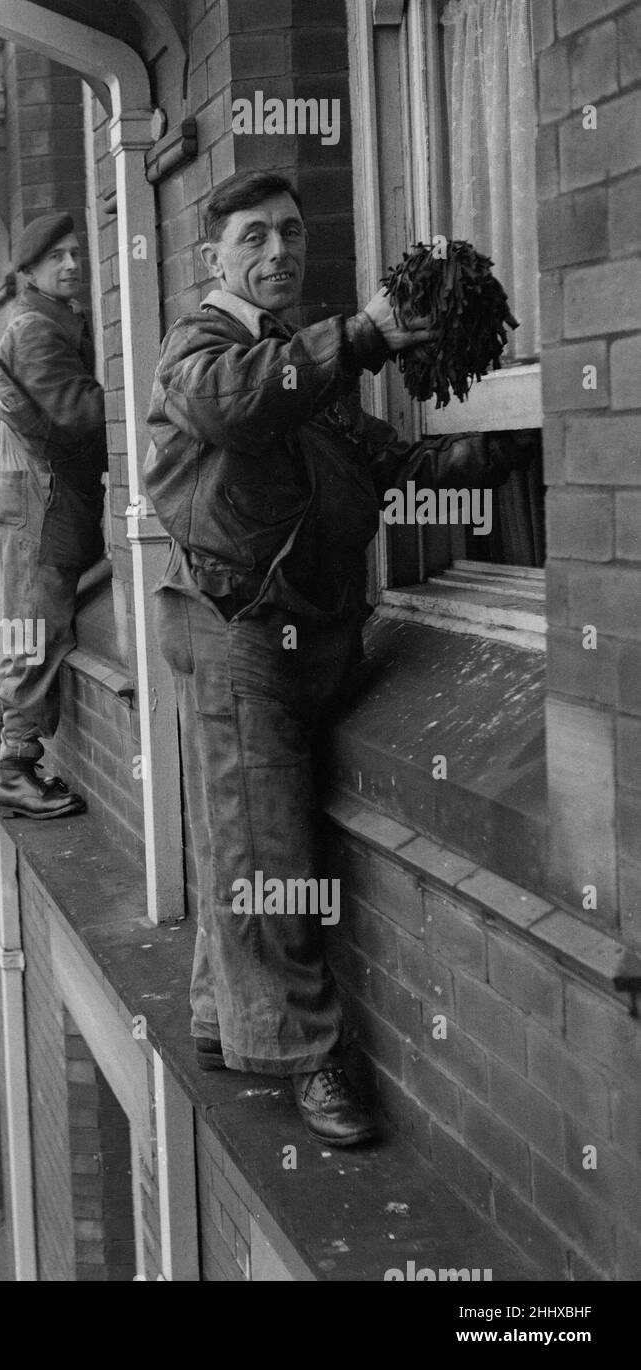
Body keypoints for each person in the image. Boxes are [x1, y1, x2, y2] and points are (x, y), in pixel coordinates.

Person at [145, 170, 532, 1147]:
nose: (277, 251)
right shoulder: (201, 351)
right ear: (212, 260)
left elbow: (391, 463)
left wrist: (509, 440)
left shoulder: (296, 364)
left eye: (289, 233)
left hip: (308, 631)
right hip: (238, 628)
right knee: (268, 851)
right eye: (253, 237)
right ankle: (309, 1058)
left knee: (242, 834)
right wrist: (359, 337)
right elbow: (238, 410)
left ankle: (218, 1017)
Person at [0, 211, 107, 820]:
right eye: (56, 258)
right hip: (42, 500)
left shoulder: (41, 321)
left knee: (23, 624)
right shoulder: (35, 329)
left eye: (76, 254)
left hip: (33, 496)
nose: (72, 265)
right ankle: (16, 770)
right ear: (28, 270)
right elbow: (81, 415)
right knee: (38, 630)